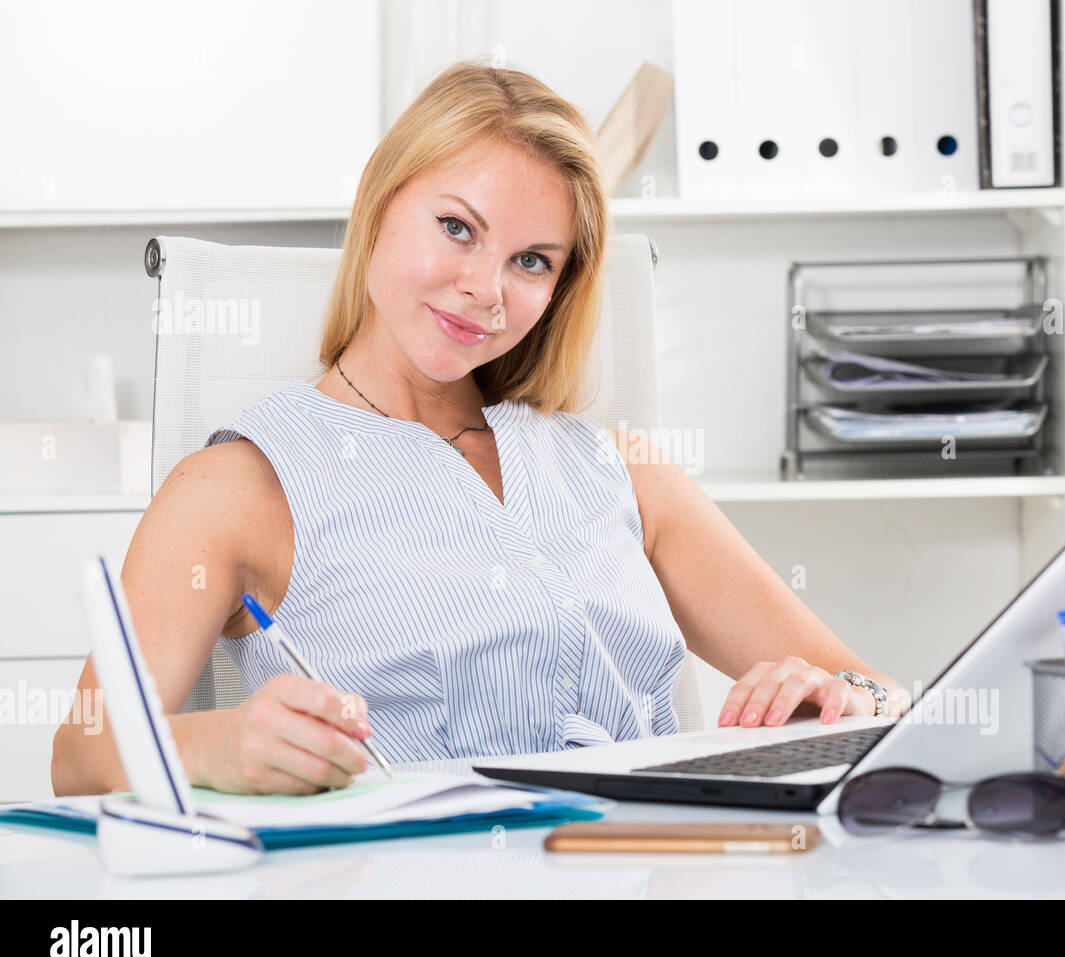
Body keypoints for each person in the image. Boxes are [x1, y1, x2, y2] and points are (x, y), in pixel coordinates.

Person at [52, 60, 909, 797]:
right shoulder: (240, 486)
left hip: (654, 867)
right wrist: (213, 745)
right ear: (379, 206)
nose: (486, 289)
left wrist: (845, 698)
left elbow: (878, 690)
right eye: (456, 228)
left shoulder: (621, 471)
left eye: (531, 261)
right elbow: (83, 753)